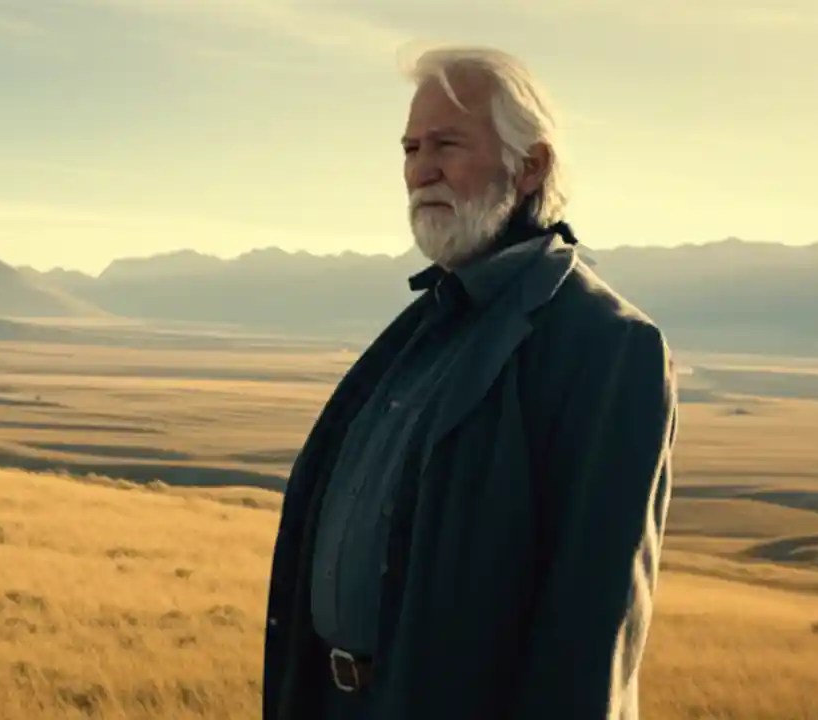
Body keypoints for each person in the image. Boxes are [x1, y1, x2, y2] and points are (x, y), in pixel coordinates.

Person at [261, 44, 679, 720]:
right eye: (409, 147)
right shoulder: (423, 327)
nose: (421, 169)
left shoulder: (607, 347)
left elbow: (590, 625)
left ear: (530, 166)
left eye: (448, 144)